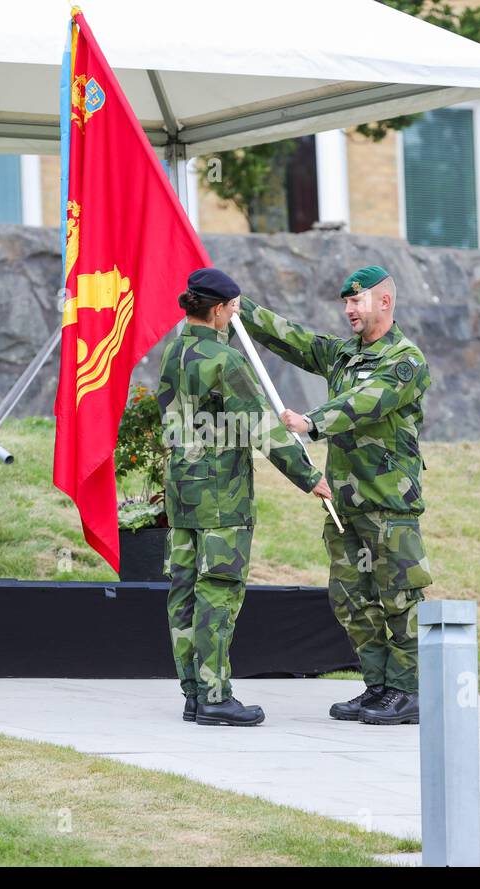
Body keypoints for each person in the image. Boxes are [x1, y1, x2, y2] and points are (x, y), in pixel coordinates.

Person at [239, 266, 432, 725]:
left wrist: (313, 422)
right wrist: (238, 305)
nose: (348, 310)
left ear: (384, 302)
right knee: (351, 598)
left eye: (357, 301)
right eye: (346, 303)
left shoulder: (405, 361)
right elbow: (293, 339)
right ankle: (378, 686)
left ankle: (409, 691)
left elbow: (367, 402)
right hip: (344, 503)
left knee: (399, 598)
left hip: (389, 503)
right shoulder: (343, 355)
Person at [159, 267, 332, 726]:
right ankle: (216, 696)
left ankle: (195, 693)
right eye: (234, 308)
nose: (237, 315)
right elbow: (263, 428)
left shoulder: (173, 351)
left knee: (183, 593)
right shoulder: (226, 363)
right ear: (217, 310)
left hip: (181, 495)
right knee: (218, 592)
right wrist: (308, 476)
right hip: (222, 499)